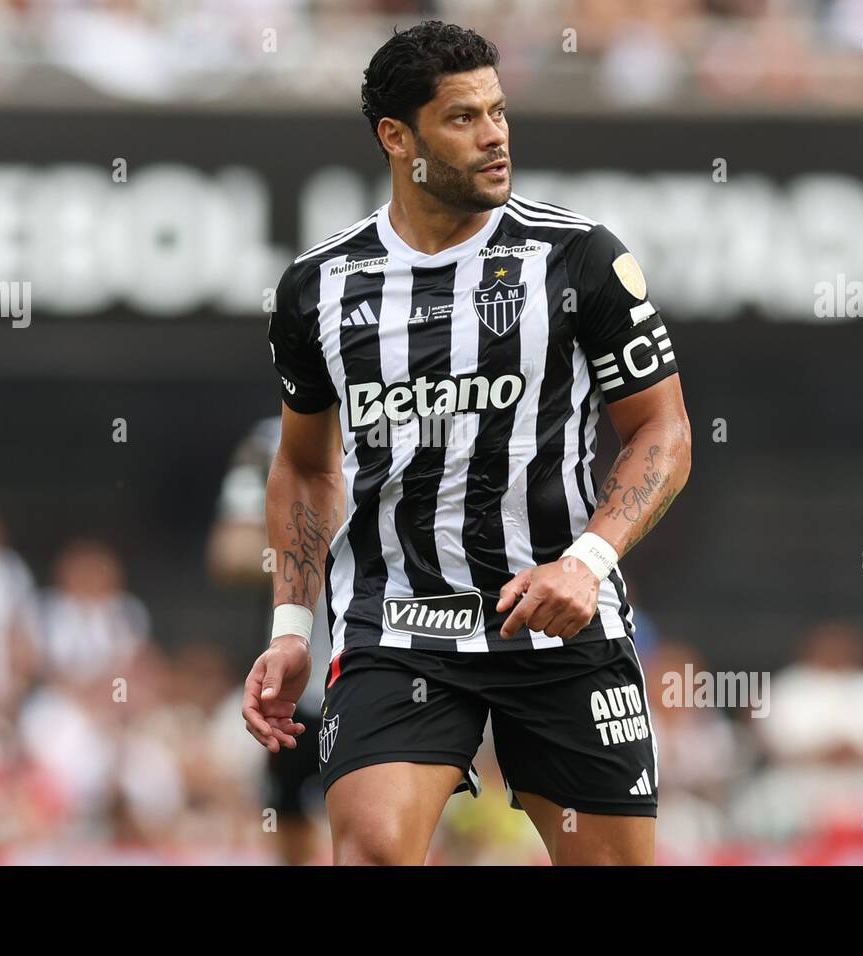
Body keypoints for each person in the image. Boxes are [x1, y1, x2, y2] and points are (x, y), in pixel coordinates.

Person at [242, 20, 691, 866]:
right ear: (396, 137)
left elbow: (662, 433)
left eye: (499, 111)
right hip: (399, 623)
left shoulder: (579, 259)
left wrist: (586, 561)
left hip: (560, 624)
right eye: (463, 118)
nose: (494, 135)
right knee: (373, 849)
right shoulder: (319, 286)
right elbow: (304, 466)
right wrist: (294, 624)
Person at [207, 415, 331, 866]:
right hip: (299, 677)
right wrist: (313, 545)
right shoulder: (267, 442)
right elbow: (232, 554)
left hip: (398, 655)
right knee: (290, 811)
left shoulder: (411, 414)